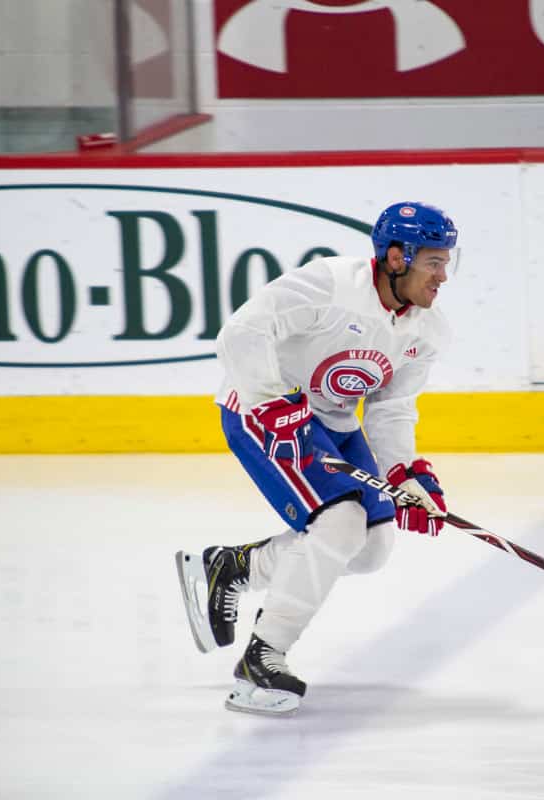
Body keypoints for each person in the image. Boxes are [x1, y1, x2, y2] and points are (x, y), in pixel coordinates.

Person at [175, 201, 459, 716]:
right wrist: (267, 403)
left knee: (371, 549)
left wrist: (406, 472)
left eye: (447, 262)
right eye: (433, 262)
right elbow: (242, 332)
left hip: (333, 422)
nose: (443, 276)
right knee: (341, 522)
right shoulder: (329, 283)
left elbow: (391, 406)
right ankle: (264, 656)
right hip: (262, 410)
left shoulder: (427, 329)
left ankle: (235, 565)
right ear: (396, 257)